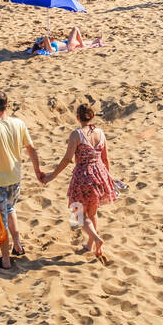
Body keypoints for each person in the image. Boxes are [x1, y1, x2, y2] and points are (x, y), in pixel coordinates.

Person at [42, 103, 118, 265]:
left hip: (83, 176)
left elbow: (68, 159)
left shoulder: (76, 135)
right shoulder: (100, 133)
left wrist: (52, 175)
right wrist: (108, 177)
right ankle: (91, 245)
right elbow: (105, 158)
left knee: (78, 213)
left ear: (78, 118)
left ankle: (96, 239)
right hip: (99, 174)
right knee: (93, 212)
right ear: (93, 116)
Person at [0, 90, 44, 268]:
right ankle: (18, 246)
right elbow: (31, 148)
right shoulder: (19, 123)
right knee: (11, 208)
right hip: (15, 179)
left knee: (1, 221)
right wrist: (37, 171)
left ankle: (5, 260)